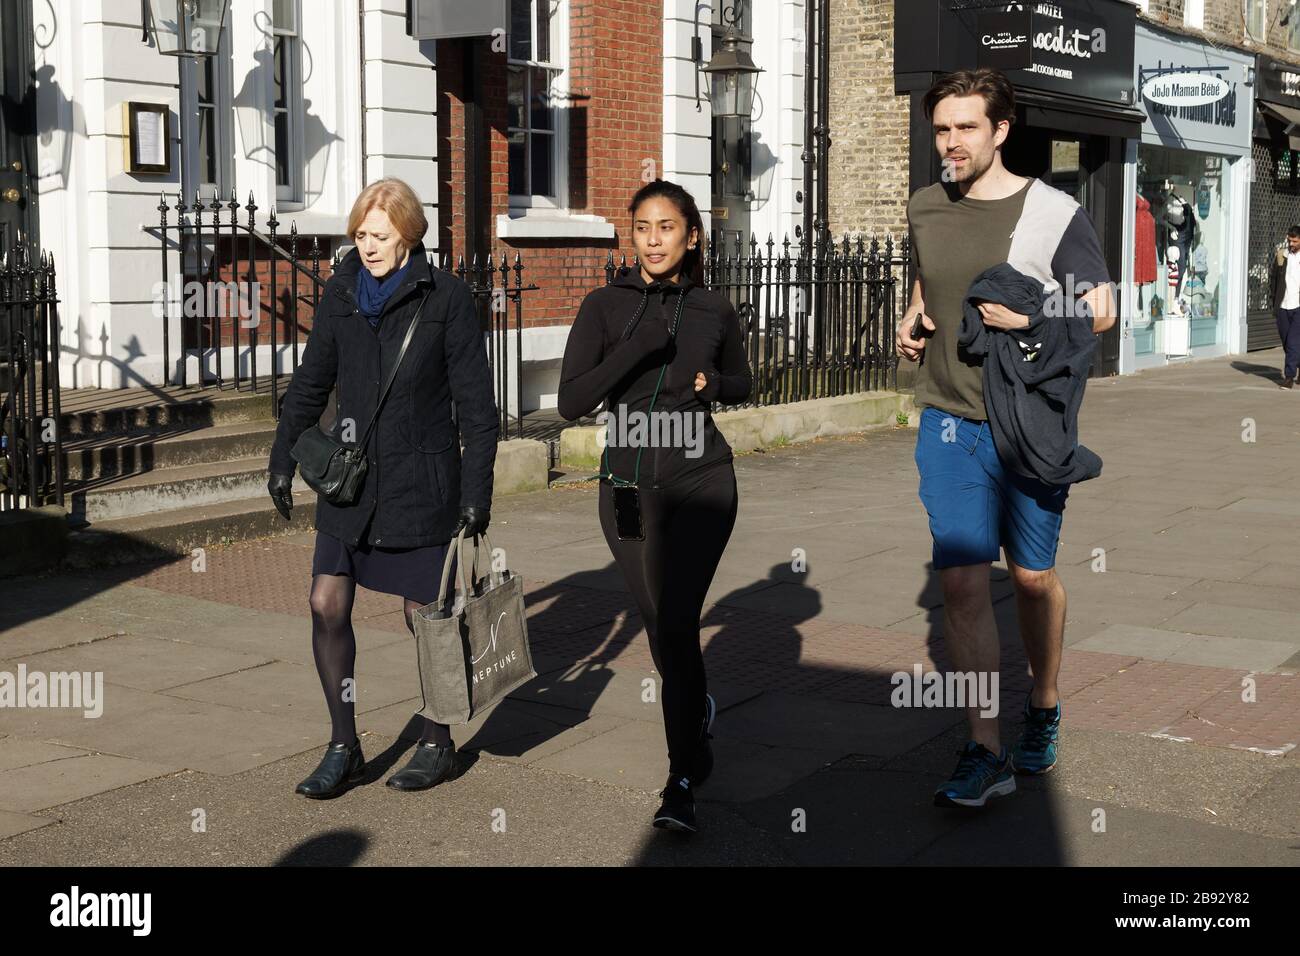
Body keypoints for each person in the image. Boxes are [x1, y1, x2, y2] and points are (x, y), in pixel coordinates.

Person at [896, 69, 1116, 808]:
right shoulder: (926, 206)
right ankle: (983, 749)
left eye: (965, 128)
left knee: (1029, 578)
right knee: (961, 579)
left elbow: (1103, 309)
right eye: (941, 129)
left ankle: (1044, 702)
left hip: (1027, 421)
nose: (951, 142)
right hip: (950, 420)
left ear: (1000, 131)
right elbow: (935, 276)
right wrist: (915, 312)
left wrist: (1034, 322)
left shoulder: (1053, 211)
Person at [266, 178, 499, 798]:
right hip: (351, 484)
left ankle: (437, 741)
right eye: (361, 235)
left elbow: (477, 410)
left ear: (409, 236)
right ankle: (344, 743)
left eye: (381, 236)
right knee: (325, 603)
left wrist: (478, 493)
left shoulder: (445, 297)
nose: (368, 246)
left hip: (421, 484)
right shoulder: (342, 293)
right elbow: (312, 383)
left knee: (426, 616)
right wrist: (281, 459)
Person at [557, 179, 752, 833]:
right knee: (657, 619)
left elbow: (743, 382)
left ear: (691, 235)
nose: (653, 238)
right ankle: (695, 715)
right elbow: (571, 402)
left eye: (666, 226)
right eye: (642, 227)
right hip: (627, 486)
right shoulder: (604, 307)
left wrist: (714, 383)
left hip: (702, 480)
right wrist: (635, 352)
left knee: (673, 622)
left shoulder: (713, 308)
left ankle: (681, 782)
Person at [1267, 224, 1300, 389]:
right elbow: (1273, 279)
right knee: (1287, 342)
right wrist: (1274, 300)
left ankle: (1289, 377)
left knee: (1294, 342)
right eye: (1289, 240)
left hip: (1298, 307)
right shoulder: (1282, 255)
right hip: (1283, 306)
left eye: (1295, 241)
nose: (1291, 244)